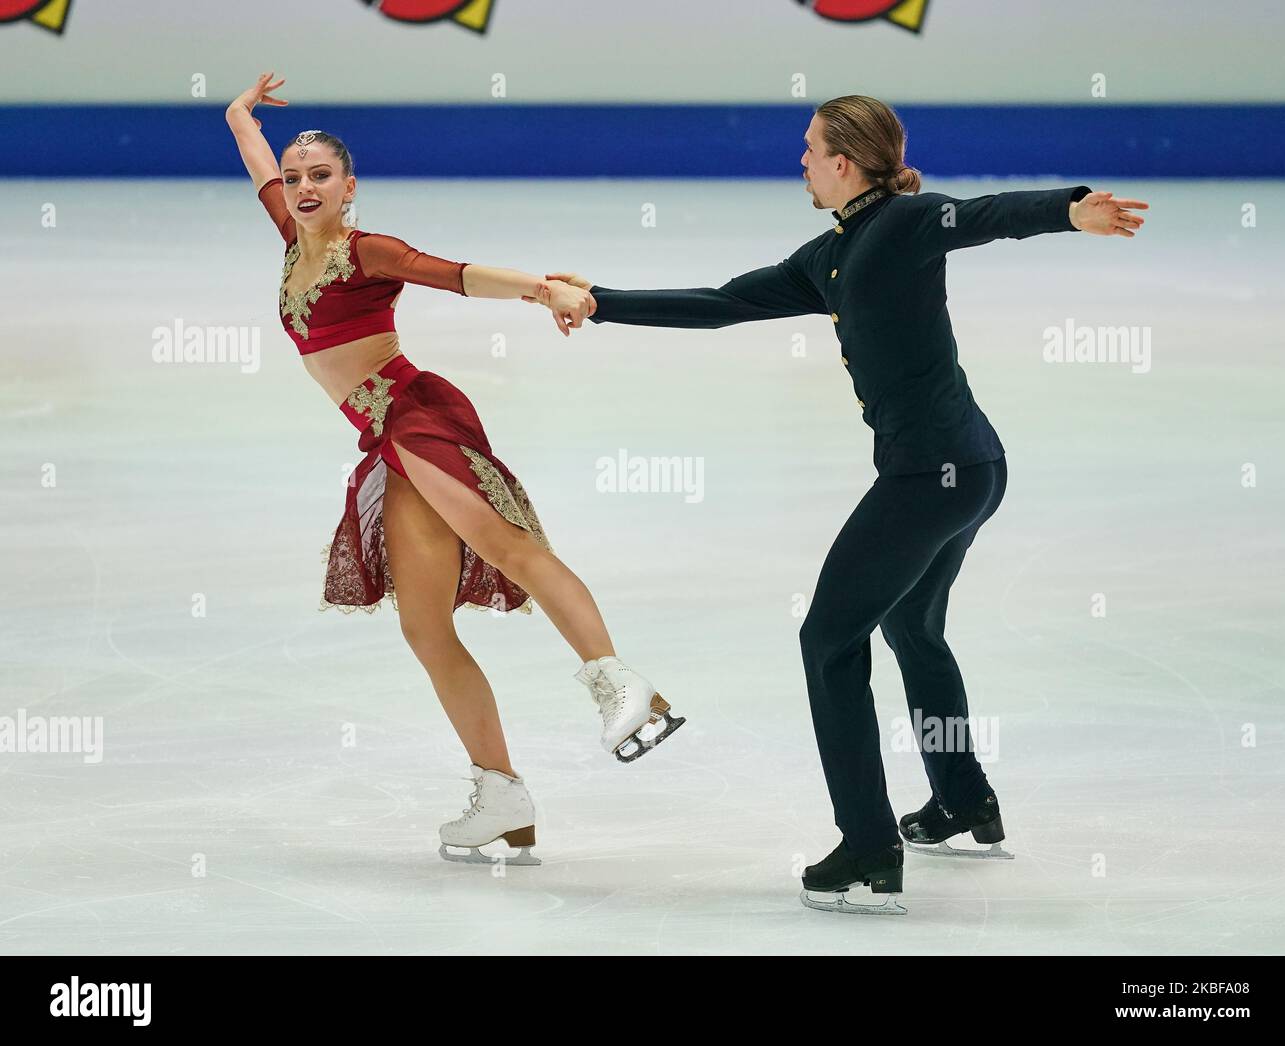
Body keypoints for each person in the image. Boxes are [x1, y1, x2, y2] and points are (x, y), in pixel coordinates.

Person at [537, 95, 1146, 913]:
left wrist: (1073, 210)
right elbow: (723, 303)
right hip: (969, 467)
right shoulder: (831, 255)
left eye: (809, 149)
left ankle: (866, 847)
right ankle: (962, 796)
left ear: (844, 163)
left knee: (828, 641)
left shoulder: (903, 222)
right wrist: (602, 299)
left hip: (930, 477)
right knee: (913, 631)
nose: (800, 161)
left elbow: (988, 215)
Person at [225, 73, 685, 866]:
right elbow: (258, 163)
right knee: (423, 624)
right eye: (295, 178)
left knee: (507, 546)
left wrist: (543, 289)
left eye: (320, 176)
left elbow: (460, 275)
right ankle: (500, 792)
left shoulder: (366, 251)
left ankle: (619, 683)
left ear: (349, 188)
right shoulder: (291, 237)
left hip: (416, 417)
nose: (301, 187)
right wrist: (240, 113)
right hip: (387, 441)